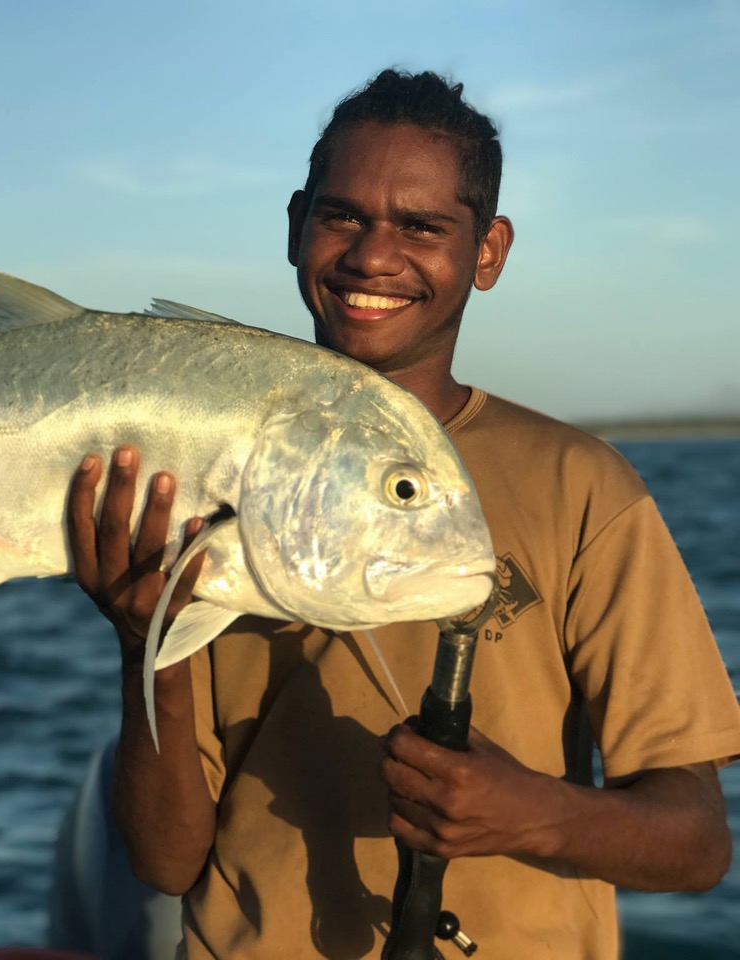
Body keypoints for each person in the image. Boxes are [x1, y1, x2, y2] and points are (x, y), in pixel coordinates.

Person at [63, 70, 740, 959]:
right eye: (342, 216)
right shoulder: (199, 473)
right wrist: (142, 645)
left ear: (488, 250)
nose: (373, 257)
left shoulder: (583, 487)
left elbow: (695, 844)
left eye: (421, 226)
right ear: (297, 225)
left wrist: (533, 814)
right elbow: (164, 861)